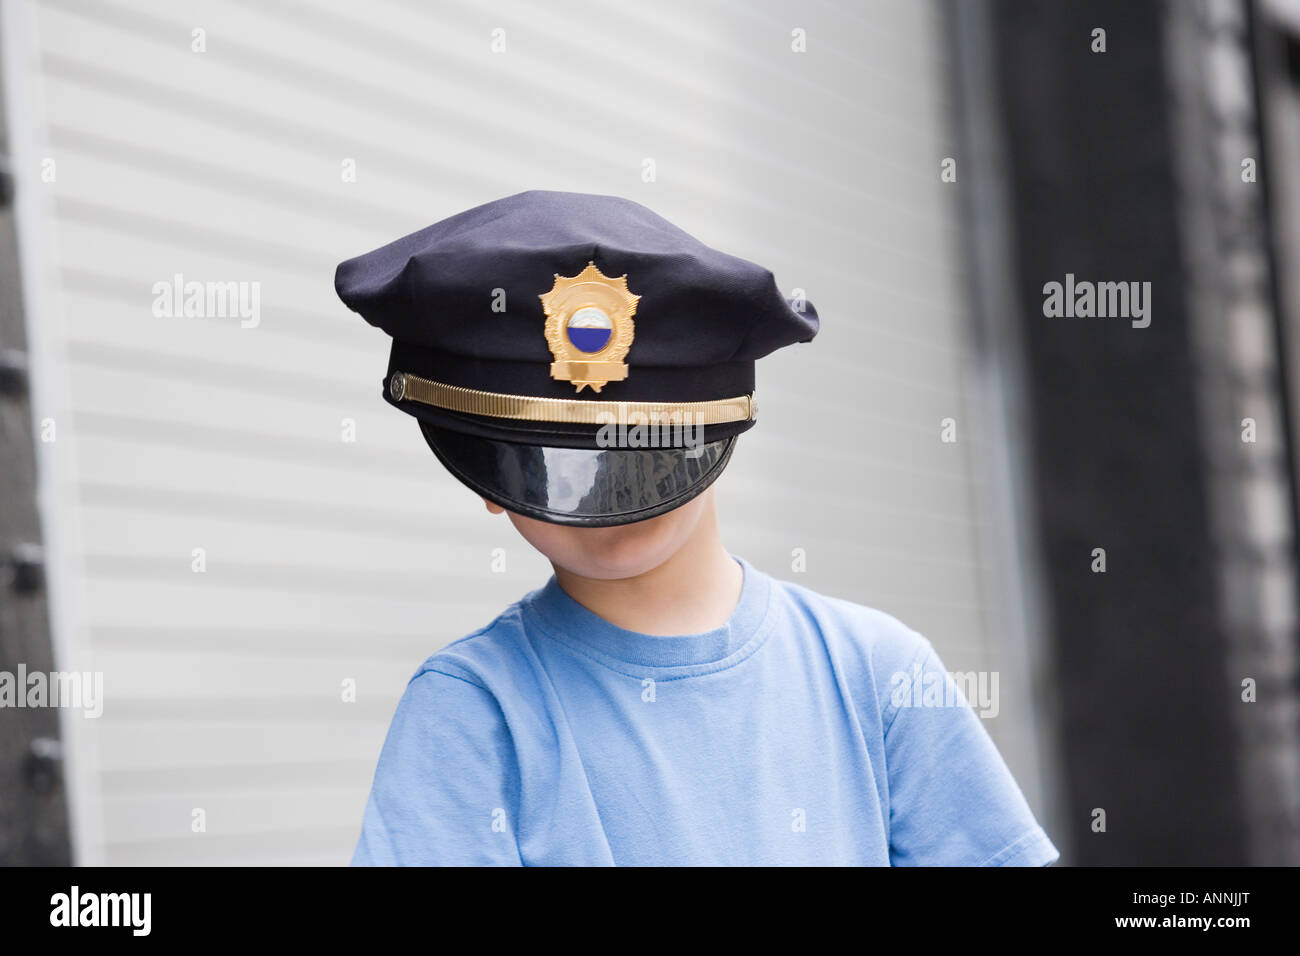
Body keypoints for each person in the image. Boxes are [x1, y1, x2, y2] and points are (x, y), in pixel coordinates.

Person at [335, 189, 1059, 866]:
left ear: (723, 435)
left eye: (647, 458)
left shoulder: (876, 674)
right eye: (555, 467)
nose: (612, 501)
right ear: (484, 478)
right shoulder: (472, 707)